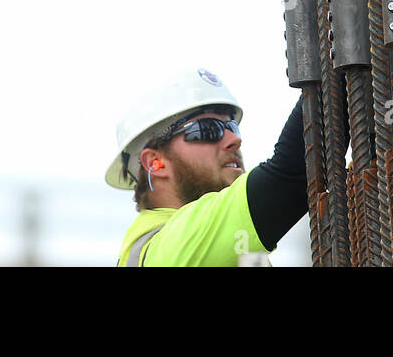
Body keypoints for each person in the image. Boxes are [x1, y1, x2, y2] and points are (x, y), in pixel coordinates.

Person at [106, 67, 308, 266]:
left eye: (231, 126)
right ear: (154, 163)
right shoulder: (170, 248)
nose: (234, 139)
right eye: (208, 129)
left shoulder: (229, 252)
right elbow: (290, 175)